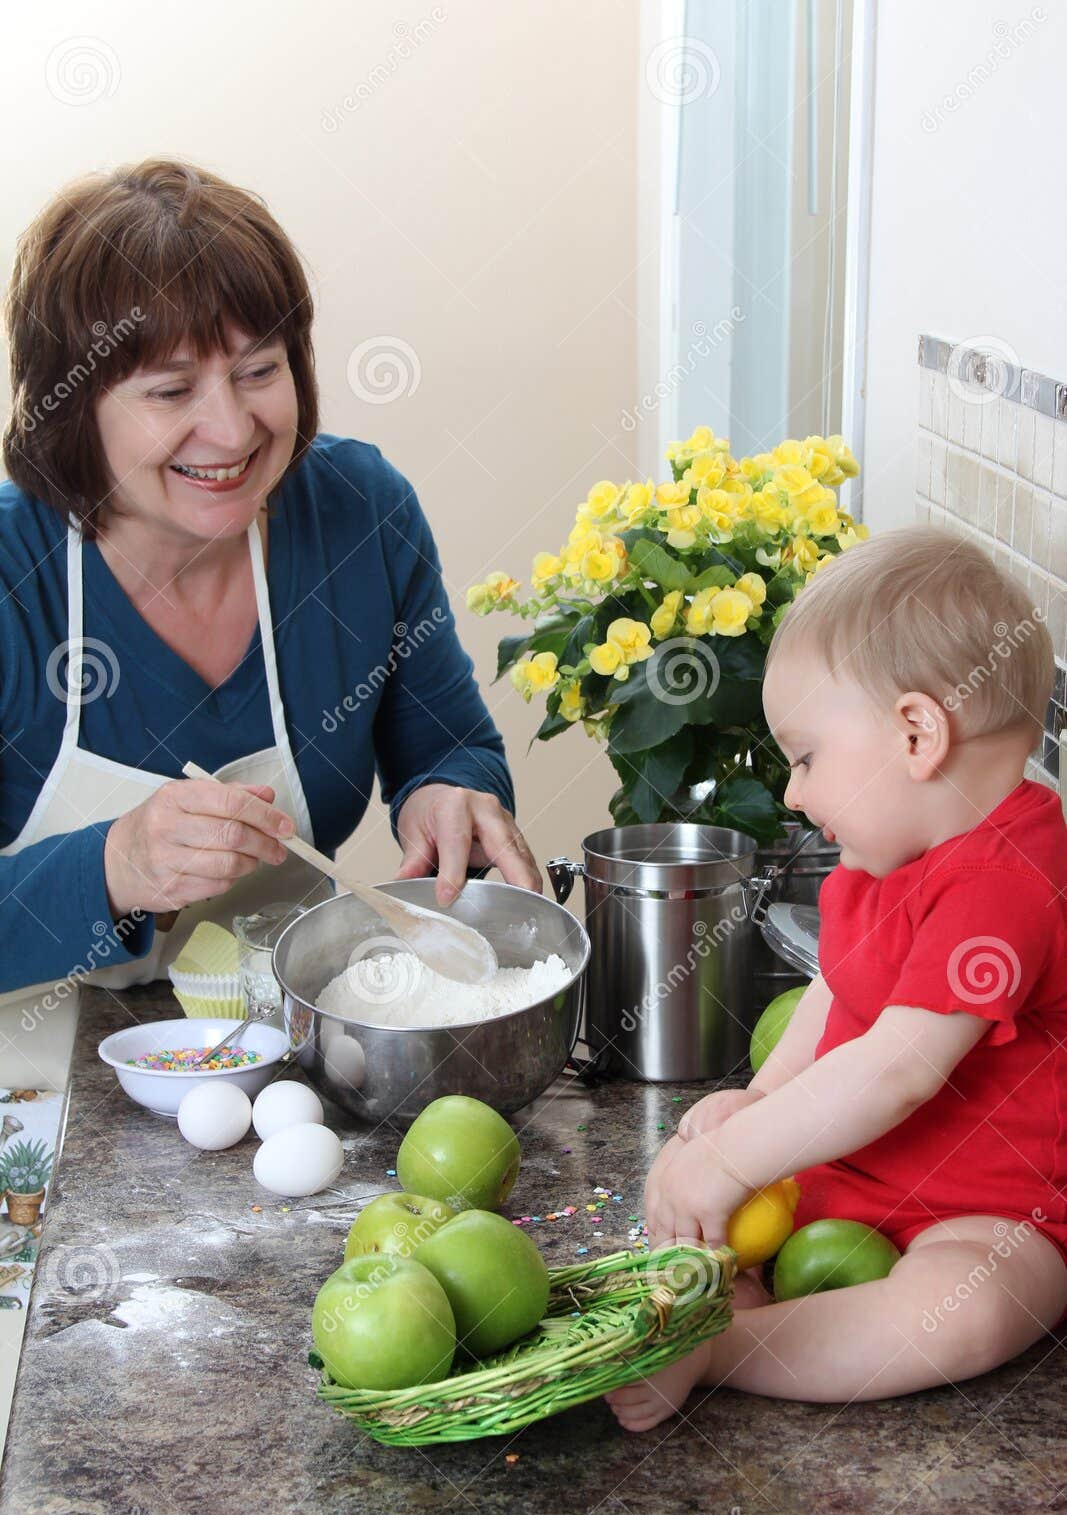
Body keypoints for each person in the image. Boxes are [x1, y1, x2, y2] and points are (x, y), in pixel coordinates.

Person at [0, 159, 539, 1087]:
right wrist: (116, 865)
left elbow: (450, 747)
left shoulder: (356, 514)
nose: (232, 428)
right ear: (74, 405)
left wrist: (447, 794)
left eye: (259, 371)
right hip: (31, 1089)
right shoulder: (16, 574)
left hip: (289, 1065)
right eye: (171, 391)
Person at [607, 528, 1067, 1428]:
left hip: (984, 1216)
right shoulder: (884, 856)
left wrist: (735, 1158)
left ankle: (723, 1349)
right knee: (713, 1221)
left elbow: (899, 1068)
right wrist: (759, 1100)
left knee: (970, 1309)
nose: (790, 793)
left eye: (805, 757)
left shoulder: (1008, 875)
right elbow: (837, 991)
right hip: (841, 1186)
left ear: (916, 733)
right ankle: (734, 1310)